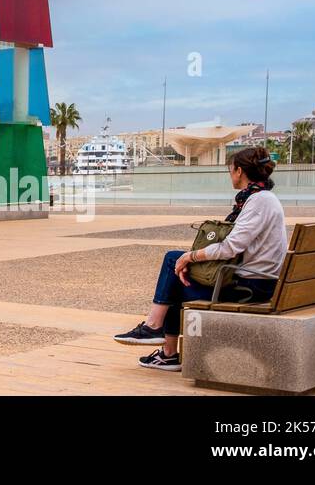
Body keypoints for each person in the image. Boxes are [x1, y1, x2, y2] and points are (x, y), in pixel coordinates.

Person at [113, 147, 287, 371]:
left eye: (230, 170)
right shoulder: (263, 198)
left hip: (250, 288)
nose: (230, 174)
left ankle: (155, 331)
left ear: (239, 171)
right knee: (176, 272)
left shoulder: (258, 201)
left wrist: (191, 256)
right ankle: (164, 349)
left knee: (173, 263)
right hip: (260, 281)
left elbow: (231, 247)